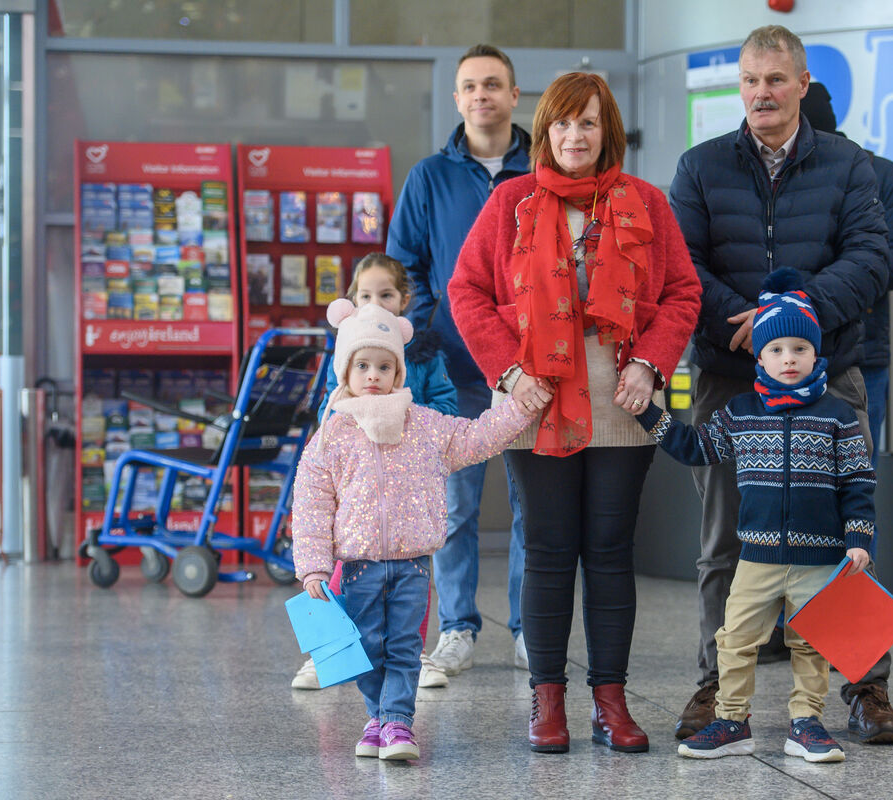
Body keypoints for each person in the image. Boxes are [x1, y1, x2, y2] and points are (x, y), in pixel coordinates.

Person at [448, 72, 701, 754]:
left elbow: (682, 292)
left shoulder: (646, 201)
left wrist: (651, 363)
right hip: (537, 400)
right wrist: (507, 371)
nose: (573, 136)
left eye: (588, 124)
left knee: (612, 554)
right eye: (561, 123)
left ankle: (611, 701)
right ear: (546, 131)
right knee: (551, 550)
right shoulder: (512, 202)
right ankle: (548, 699)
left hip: (624, 398)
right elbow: (466, 289)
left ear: (607, 131)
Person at [667, 24, 893, 742]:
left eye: (775, 79)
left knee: (845, 540)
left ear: (802, 84)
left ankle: (866, 689)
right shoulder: (701, 166)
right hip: (729, 379)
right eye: (750, 81)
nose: (761, 93)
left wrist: (793, 316)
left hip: (829, 375)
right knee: (722, 544)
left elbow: (871, 257)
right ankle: (714, 685)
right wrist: (742, 320)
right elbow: (680, 263)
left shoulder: (849, 165)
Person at [636, 270, 875, 763]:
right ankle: (731, 720)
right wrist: (648, 413)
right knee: (737, 639)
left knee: (811, 646)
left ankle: (807, 723)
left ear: (816, 355)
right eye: (776, 350)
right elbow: (695, 446)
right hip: (757, 559)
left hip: (819, 560)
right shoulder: (741, 412)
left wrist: (859, 537)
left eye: (799, 349)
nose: (788, 359)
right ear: (759, 357)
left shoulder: (837, 416)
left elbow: (858, 482)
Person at [291, 301, 540, 762]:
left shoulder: (422, 426)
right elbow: (310, 504)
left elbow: (476, 437)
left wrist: (521, 406)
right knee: (366, 648)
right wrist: (312, 568)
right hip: (358, 566)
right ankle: (377, 717)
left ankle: (399, 723)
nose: (373, 375)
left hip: (411, 565)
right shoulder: (332, 435)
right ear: (345, 371)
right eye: (362, 365)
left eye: (384, 366)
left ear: (399, 372)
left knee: (405, 647)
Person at [388, 44, 532, 676]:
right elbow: (404, 266)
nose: (482, 95)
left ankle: (532, 626)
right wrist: (421, 340)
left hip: (532, 370)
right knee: (454, 508)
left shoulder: (545, 169)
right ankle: (457, 629)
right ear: (456, 99)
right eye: (470, 86)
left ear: (513, 95)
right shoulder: (428, 177)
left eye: (493, 84)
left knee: (536, 506)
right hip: (453, 370)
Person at [796, 81, 893, 744]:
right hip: (763, 369)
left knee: (854, 518)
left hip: (855, 362)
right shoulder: (756, 174)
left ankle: (866, 683)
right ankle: (735, 675)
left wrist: (831, 276)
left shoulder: (876, 172)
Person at [291, 253, 459, 692]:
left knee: (411, 581)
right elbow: (333, 405)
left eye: (386, 295)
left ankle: (414, 653)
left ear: (404, 301)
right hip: (360, 486)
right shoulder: (349, 350)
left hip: (407, 484)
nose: (376, 302)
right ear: (350, 301)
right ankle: (328, 651)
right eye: (366, 295)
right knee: (343, 574)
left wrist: (409, 424)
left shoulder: (421, 353)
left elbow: (446, 404)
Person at [799, 81, 893, 467]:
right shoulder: (767, 173)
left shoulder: (877, 173)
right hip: (779, 358)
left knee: (853, 496)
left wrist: (844, 270)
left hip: (858, 360)